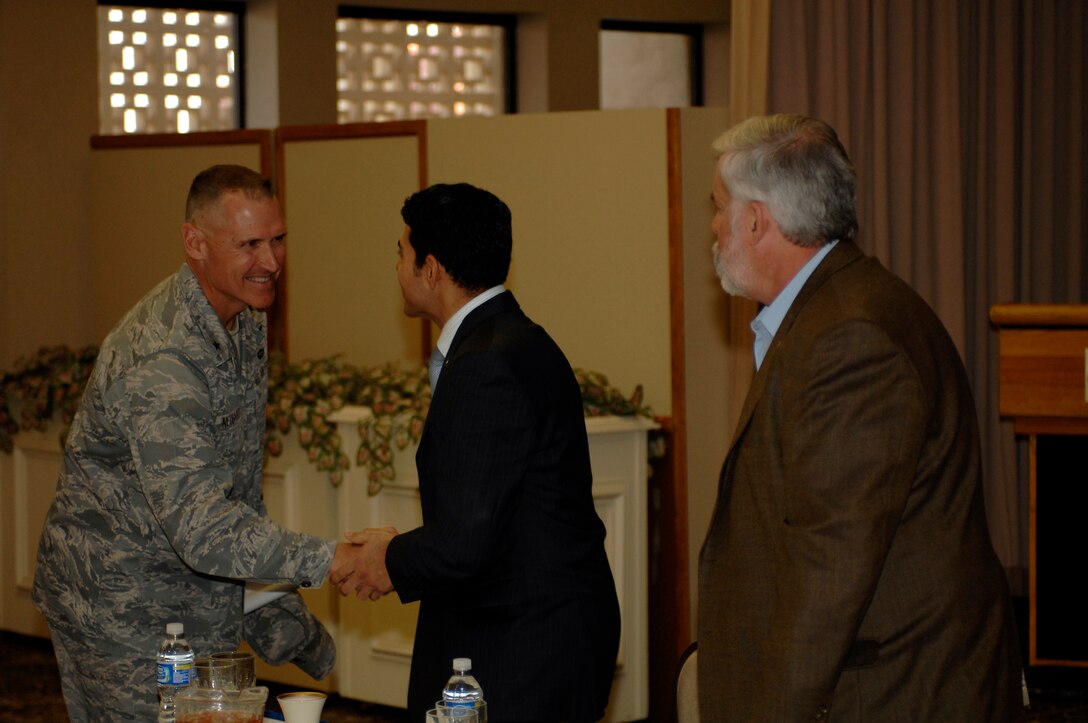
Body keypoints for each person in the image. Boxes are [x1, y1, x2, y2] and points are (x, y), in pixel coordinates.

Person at [698, 115, 1023, 721]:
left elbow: (831, 563)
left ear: (756, 219)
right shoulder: (829, 310)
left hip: (892, 692)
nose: (714, 229)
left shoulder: (851, 336)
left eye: (719, 209)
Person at [33, 164, 372, 721]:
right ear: (195, 243)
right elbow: (205, 527)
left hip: (194, 597)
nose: (270, 262)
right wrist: (333, 558)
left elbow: (233, 484)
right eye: (248, 245)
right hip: (119, 608)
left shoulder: (244, 313)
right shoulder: (162, 358)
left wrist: (283, 621)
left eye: (278, 239)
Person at [331, 182, 621, 722]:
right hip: (543, 625)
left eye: (402, 253)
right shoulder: (514, 339)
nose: (396, 267)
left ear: (432, 268)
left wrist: (387, 560)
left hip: (522, 645)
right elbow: (493, 512)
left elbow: (466, 540)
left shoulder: (486, 363)